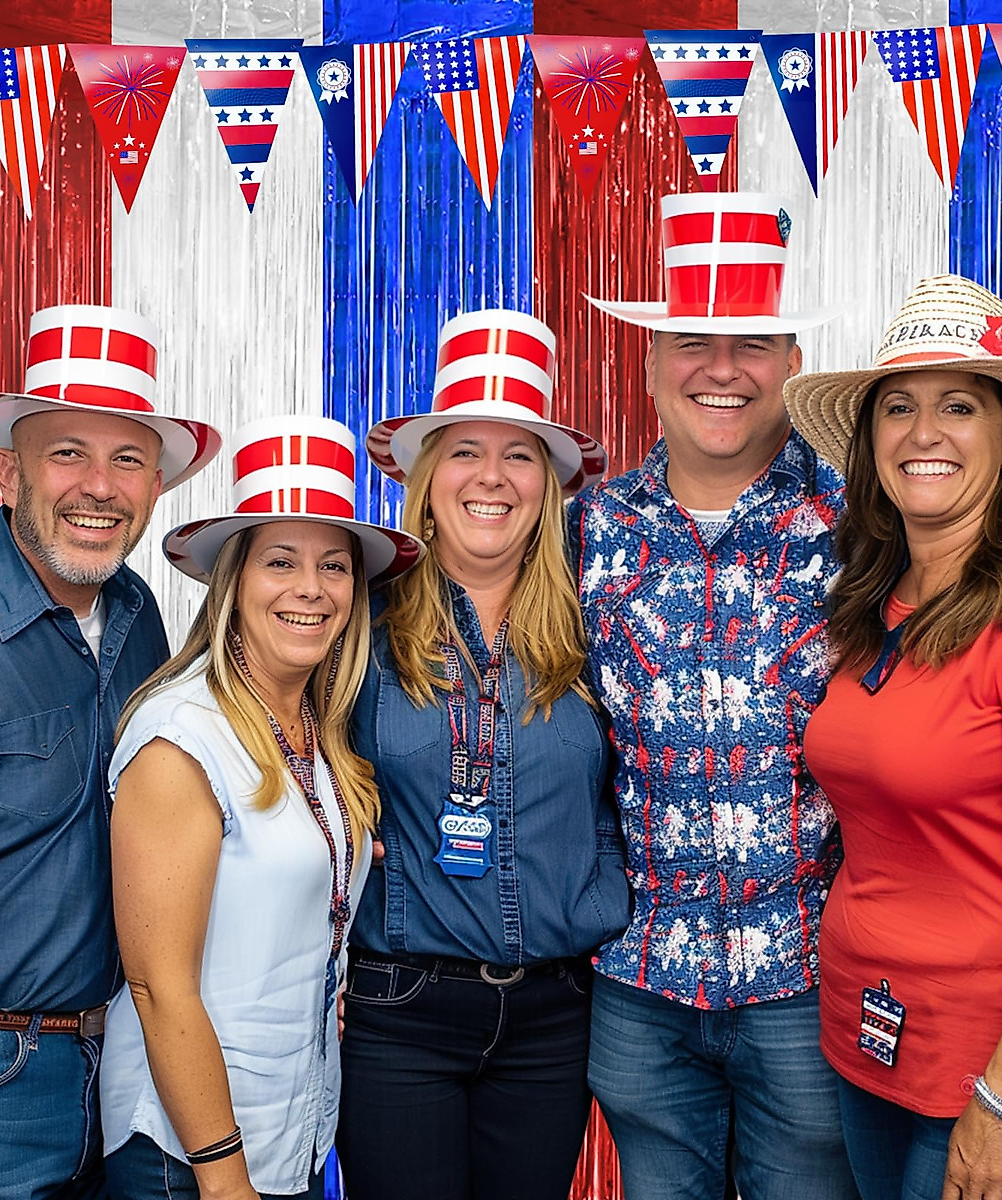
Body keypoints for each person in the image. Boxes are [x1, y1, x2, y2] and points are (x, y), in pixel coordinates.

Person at [783, 273, 1002, 1200]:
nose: (923, 432)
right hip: (875, 1044)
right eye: (898, 407)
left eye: (960, 406)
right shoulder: (875, 604)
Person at [572, 192, 859, 1200]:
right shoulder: (586, 528)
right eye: (694, 341)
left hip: (808, 982)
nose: (722, 369)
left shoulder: (861, 527)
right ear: (652, 362)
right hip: (640, 984)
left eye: (753, 345)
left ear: (793, 362)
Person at [337, 309, 631, 1200]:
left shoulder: (599, 626)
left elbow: (637, 792)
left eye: (520, 455)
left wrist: (598, 891)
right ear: (427, 478)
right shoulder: (355, 622)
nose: (492, 477)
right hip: (398, 1012)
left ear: (548, 484)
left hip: (555, 1018)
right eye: (465, 450)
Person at [0, 304, 220, 1200]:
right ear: (7, 469)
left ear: (156, 486)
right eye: (67, 452)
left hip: (120, 1070)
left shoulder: (139, 614)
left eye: (127, 459)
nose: (99, 486)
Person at [99, 415, 423, 1199]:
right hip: (190, 1157)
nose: (311, 589)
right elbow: (157, 987)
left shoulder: (317, 732)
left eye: (334, 566)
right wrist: (223, 1179)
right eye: (281, 561)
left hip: (291, 1133)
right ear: (234, 581)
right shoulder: (182, 736)